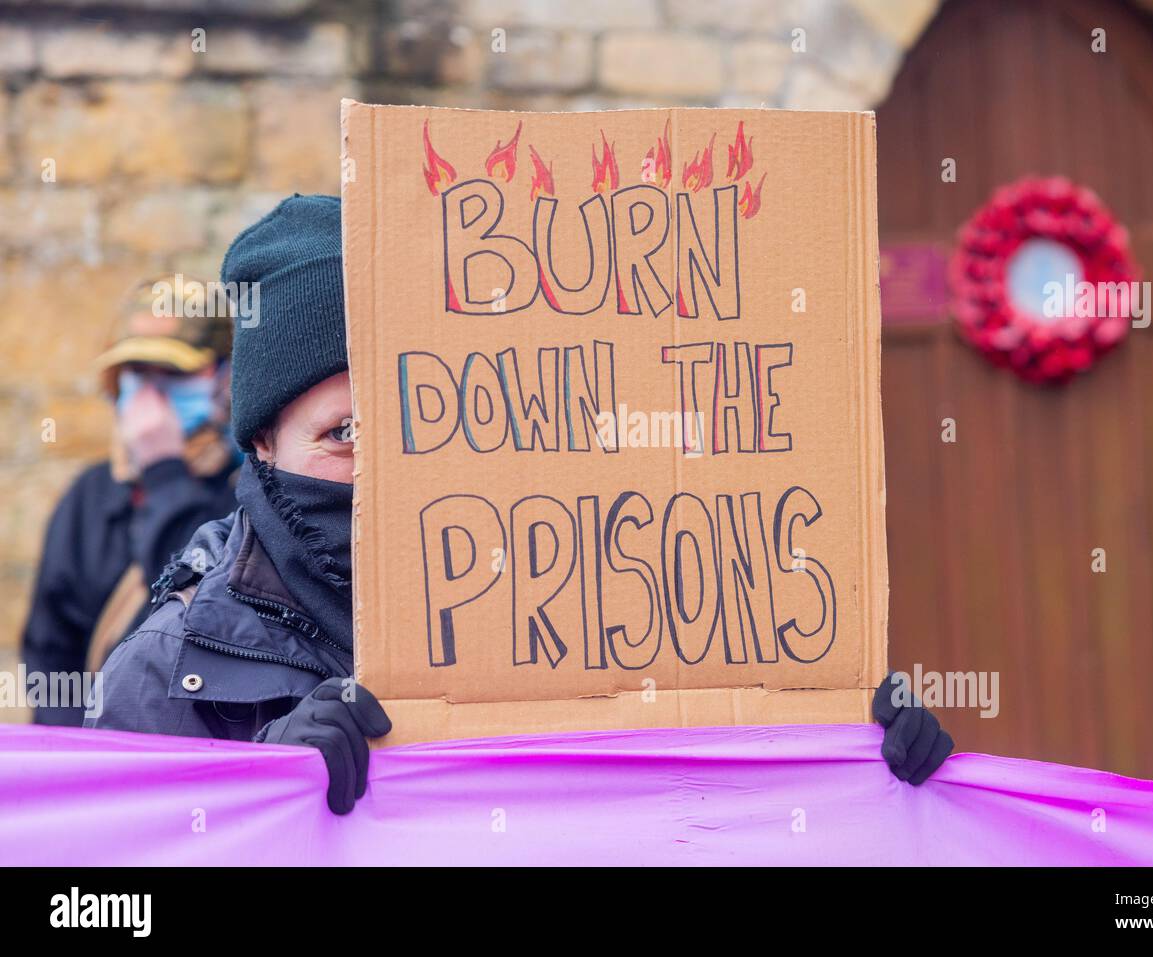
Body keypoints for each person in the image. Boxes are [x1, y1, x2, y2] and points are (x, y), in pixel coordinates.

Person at [87, 194, 952, 815]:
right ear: (263, 445)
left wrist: (847, 755)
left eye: (415, 418)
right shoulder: (167, 675)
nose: (388, 467)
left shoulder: (589, 604)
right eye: (344, 432)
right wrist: (263, 799)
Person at [22, 278, 240, 725]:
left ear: (225, 377)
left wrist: (164, 471)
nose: (151, 394)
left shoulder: (248, 488)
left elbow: (204, 605)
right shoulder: (90, 494)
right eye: (138, 373)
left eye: (176, 374)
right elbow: (51, 651)